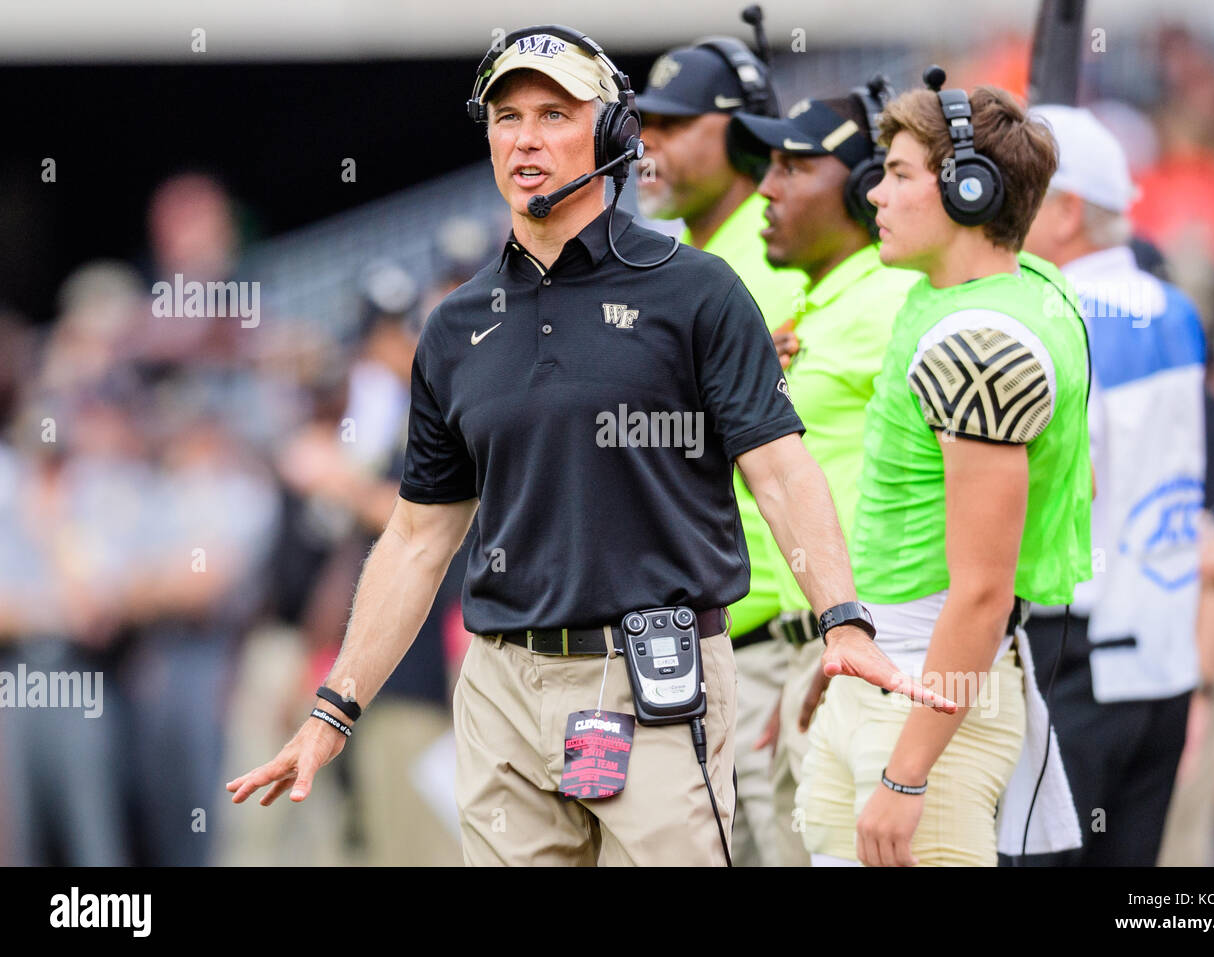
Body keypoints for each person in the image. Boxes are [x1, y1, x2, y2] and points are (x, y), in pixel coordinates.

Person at [227, 25, 953, 867]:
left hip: (652, 679)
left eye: (553, 113)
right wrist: (332, 709)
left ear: (611, 133)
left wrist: (842, 619)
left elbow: (781, 466)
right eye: (506, 117)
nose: (525, 138)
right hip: (501, 686)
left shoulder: (696, 292)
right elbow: (420, 538)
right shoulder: (454, 328)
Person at [795, 71, 1093, 866]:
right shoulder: (1017, 287)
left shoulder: (982, 343)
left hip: (924, 703)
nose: (874, 196)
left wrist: (908, 771)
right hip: (894, 671)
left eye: (896, 174)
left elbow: (986, 587)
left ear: (970, 189)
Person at [724, 81, 922, 866]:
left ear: (859, 186)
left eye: (790, 168)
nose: (766, 189)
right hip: (817, 653)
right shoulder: (820, 309)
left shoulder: (895, 301)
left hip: (874, 646)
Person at [1006, 104, 1206, 866]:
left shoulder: (1057, 313)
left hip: (1075, 642)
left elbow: (1056, 479)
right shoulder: (1172, 306)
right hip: (1160, 644)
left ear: (1067, 210)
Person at [635, 33, 805, 867]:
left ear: (742, 134)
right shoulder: (694, 263)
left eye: (672, 125)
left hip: (768, 636)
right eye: (643, 125)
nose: (648, 145)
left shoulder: (770, 264)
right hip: (703, 646)